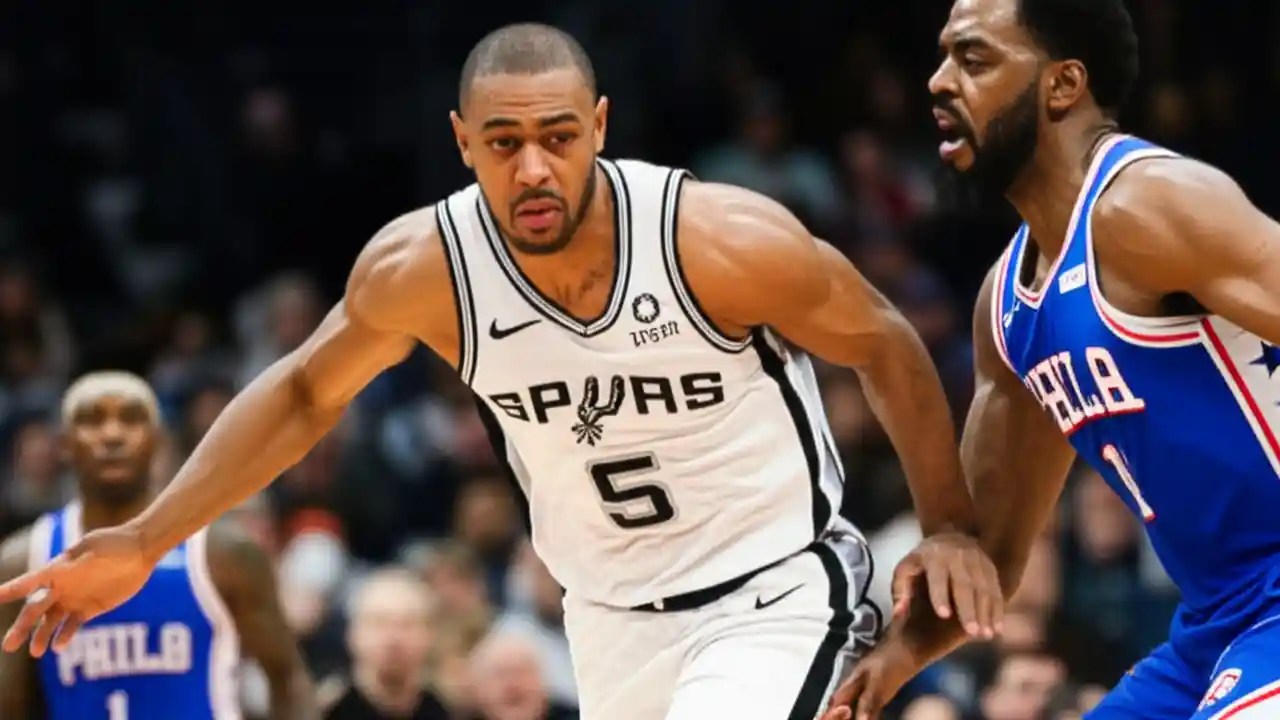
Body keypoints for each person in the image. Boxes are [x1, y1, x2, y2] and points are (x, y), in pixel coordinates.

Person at [0, 24, 1001, 719]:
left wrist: (949, 521)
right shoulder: (422, 269)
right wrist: (144, 536)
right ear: (461, 143)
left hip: (773, 590)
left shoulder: (711, 238)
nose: (532, 170)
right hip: (604, 618)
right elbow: (305, 391)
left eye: (558, 139)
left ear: (599, 128)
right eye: (504, 143)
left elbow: (878, 338)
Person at [826, 0, 1280, 718]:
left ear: (1063, 85)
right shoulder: (1004, 310)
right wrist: (891, 660)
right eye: (943, 57)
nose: (940, 81)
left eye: (974, 60)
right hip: (1216, 625)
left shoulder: (1148, 205)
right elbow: (993, 560)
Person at [0, 371, 316, 719]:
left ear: (158, 439)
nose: (112, 434)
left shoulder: (222, 551)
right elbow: (9, 704)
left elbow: (289, 679)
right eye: (92, 419)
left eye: (131, 418)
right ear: (63, 444)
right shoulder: (26, 560)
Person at [322, 568, 450, 720]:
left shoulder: (448, 712)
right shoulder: (324, 712)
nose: (393, 639)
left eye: (407, 625)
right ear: (353, 633)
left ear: (430, 635)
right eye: (379, 623)